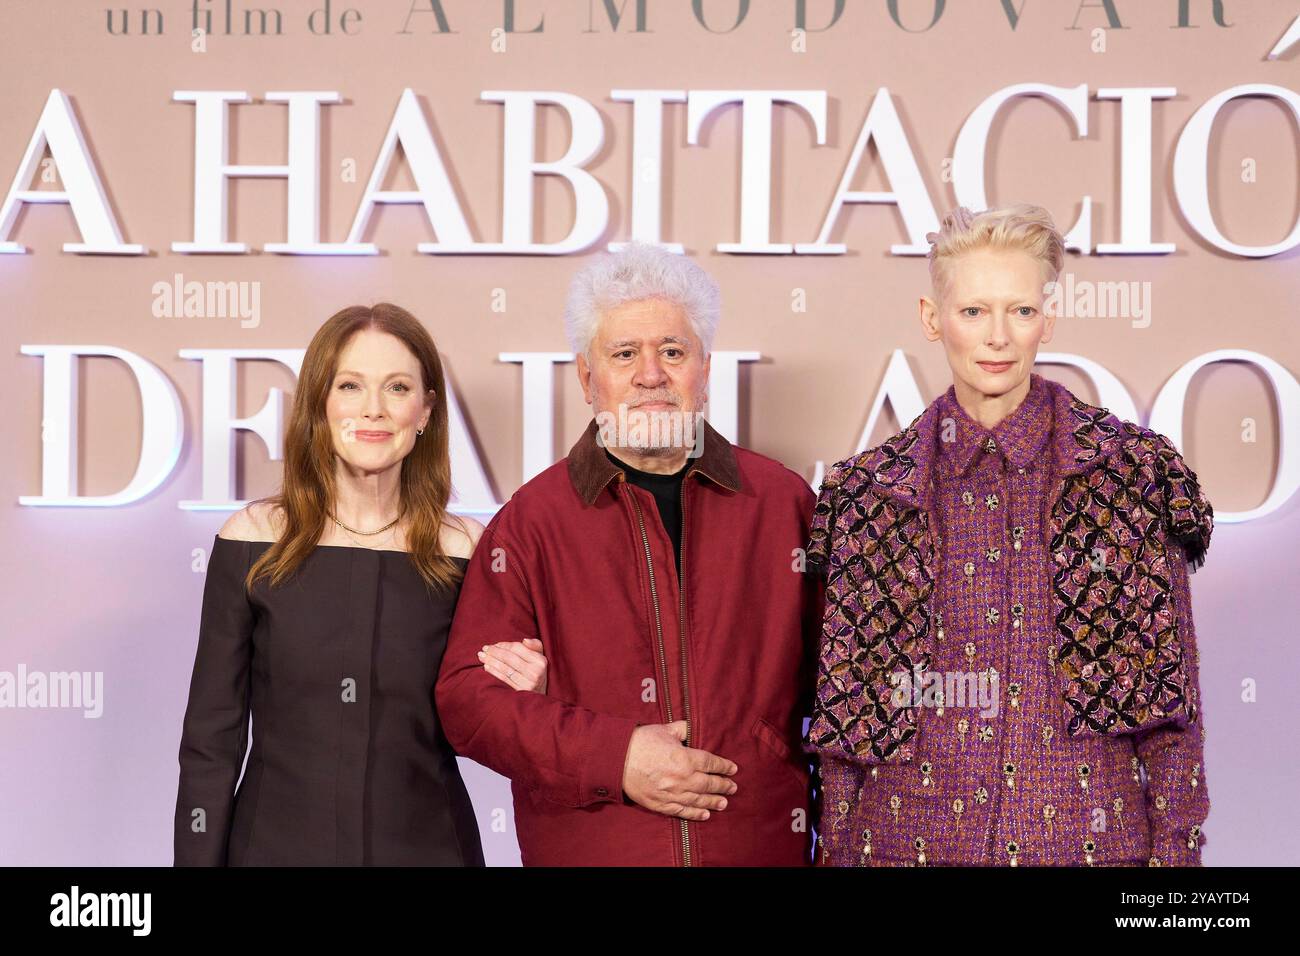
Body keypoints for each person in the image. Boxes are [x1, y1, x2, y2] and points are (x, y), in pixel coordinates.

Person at [805, 205, 1214, 867]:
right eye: (973, 312)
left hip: (1088, 847)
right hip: (907, 845)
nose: (997, 337)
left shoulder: (1127, 477)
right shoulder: (870, 494)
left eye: (1020, 311)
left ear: (1047, 318)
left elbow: (1172, 726)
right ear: (933, 318)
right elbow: (848, 737)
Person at [435, 241, 823, 866]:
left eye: (673, 352)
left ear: (705, 369)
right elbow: (469, 702)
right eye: (624, 354)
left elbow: (840, 685)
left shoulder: (783, 505)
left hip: (754, 845)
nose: (651, 375)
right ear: (588, 379)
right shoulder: (530, 525)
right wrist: (615, 758)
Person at [173, 303, 537, 866]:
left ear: (426, 411)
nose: (373, 409)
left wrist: (530, 694)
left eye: (397, 387)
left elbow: (492, 725)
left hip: (431, 851)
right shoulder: (251, 539)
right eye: (350, 385)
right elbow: (210, 743)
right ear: (320, 403)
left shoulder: (469, 551)